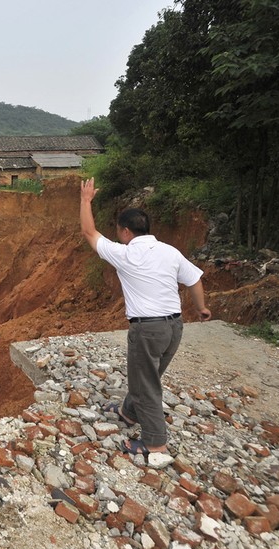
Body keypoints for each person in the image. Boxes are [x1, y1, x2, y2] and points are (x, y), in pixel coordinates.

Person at [79, 178, 211, 456]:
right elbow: (194, 280)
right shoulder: (169, 251)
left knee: (147, 386)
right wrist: (201, 309)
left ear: (126, 231)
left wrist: (86, 200)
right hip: (175, 327)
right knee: (148, 376)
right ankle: (129, 413)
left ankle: (155, 443)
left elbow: (89, 232)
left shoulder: (125, 254)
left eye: (118, 231)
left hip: (148, 330)